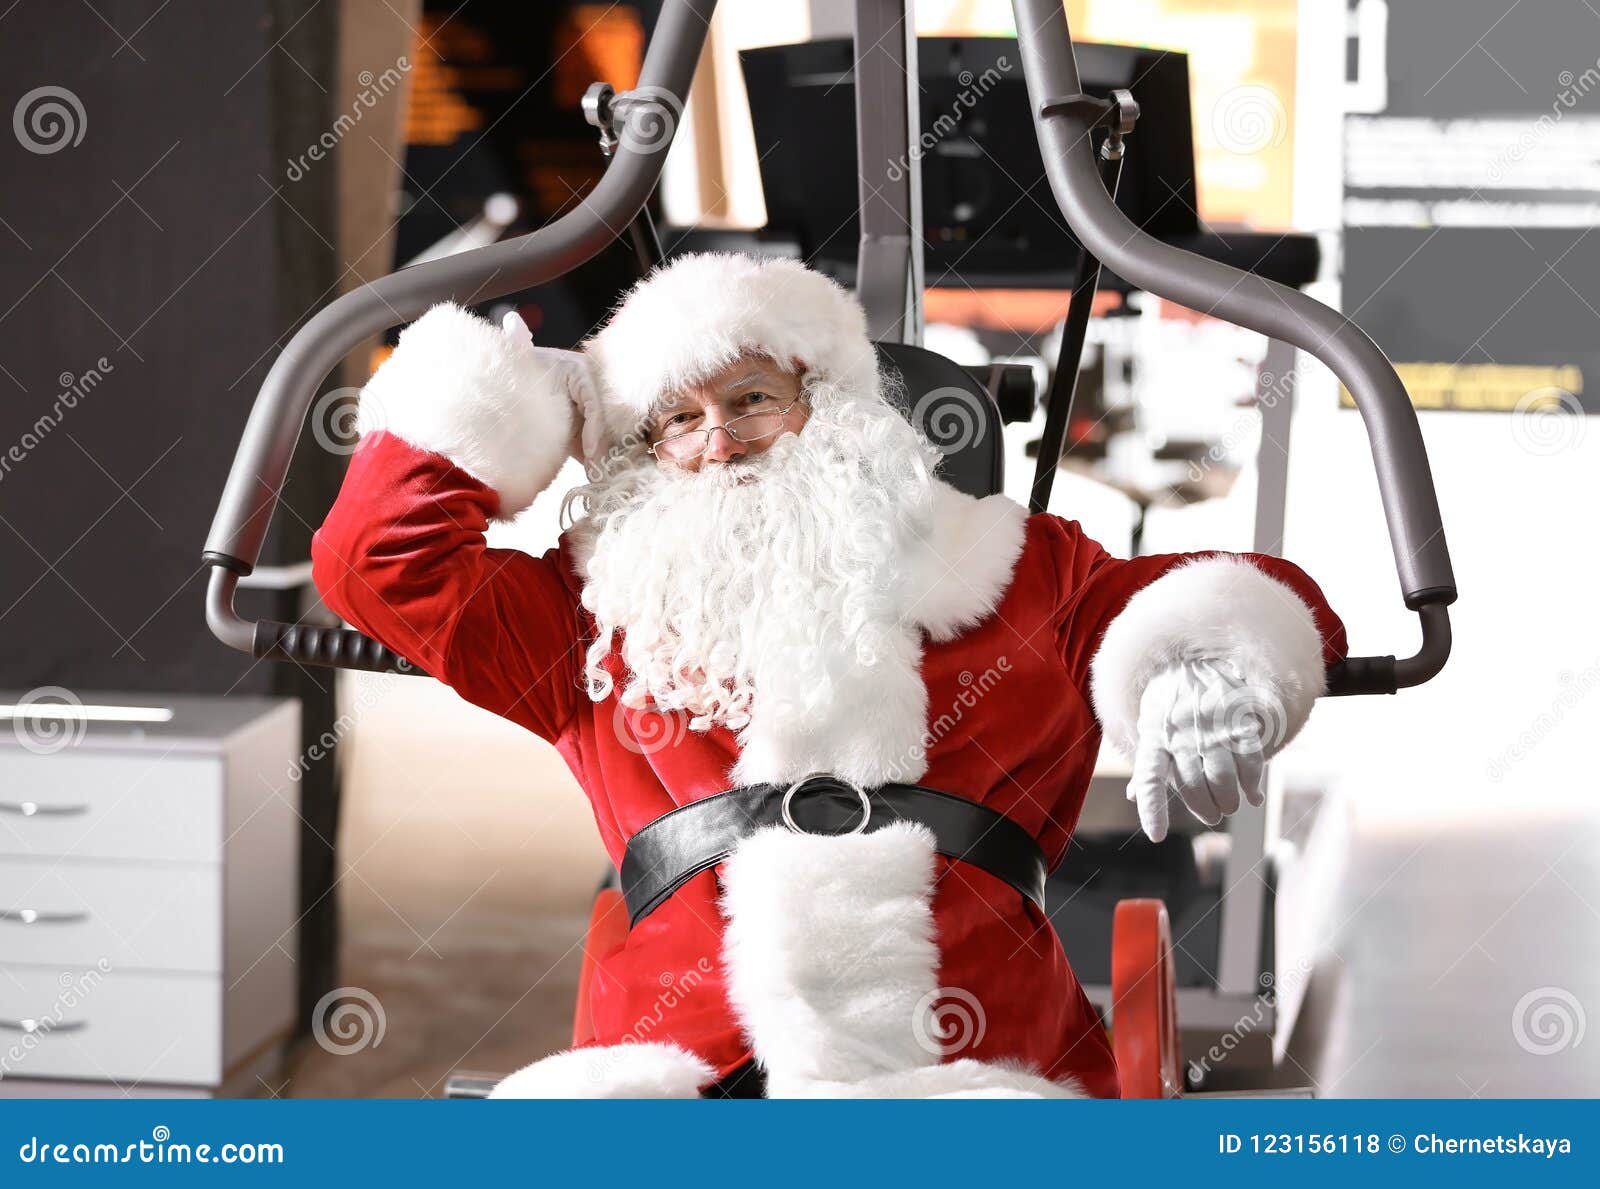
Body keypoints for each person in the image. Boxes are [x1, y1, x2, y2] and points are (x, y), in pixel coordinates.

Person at [311, 252, 1347, 1097]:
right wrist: (511, 396)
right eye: (673, 418)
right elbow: (374, 561)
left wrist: (1209, 662)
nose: (717, 442)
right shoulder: (594, 620)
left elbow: (1223, 589)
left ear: (835, 408)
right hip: (680, 1076)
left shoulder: (1019, 570)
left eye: (751, 398)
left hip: (975, 1070)